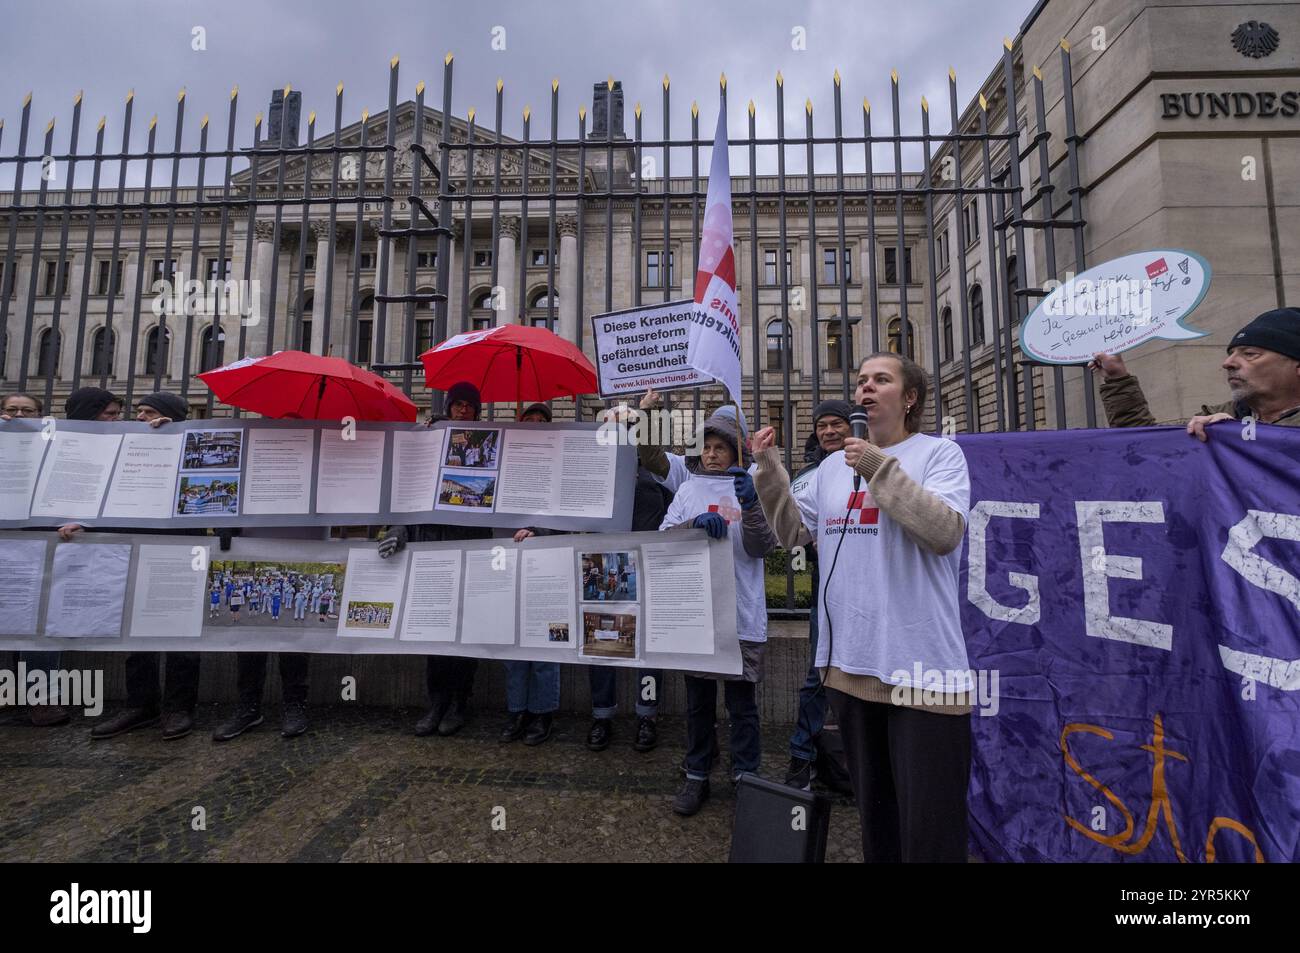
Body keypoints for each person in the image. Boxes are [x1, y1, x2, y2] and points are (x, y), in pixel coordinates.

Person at [752, 352, 972, 863]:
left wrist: (873, 464)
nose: (865, 389)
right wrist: (769, 470)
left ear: (909, 397)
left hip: (924, 675)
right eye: (860, 381)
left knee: (931, 833)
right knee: (879, 824)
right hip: (850, 669)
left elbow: (943, 532)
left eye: (881, 379)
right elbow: (791, 532)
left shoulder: (940, 455)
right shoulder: (830, 467)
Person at [61, 392, 206, 741]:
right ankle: (141, 704)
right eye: (138, 412)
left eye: (149, 412)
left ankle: (179, 707)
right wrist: (85, 522)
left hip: (179, 546)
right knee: (135, 631)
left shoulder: (188, 444)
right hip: (131, 545)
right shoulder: (124, 444)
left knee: (178, 631)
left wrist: (173, 436)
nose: (140, 417)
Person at [662, 410, 778, 816]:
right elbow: (664, 542)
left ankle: (745, 773)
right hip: (698, 614)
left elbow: (762, 547)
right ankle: (697, 774)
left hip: (741, 612)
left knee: (742, 704)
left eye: (721, 448)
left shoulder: (755, 486)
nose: (712, 455)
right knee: (698, 703)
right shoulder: (688, 490)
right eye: (707, 448)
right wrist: (694, 522)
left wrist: (750, 505)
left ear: (735, 451)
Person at [379, 382, 491, 737]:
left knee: (464, 631)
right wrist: (399, 529)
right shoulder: (426, 439)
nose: (462, 411)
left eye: (468, 406)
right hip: (430, 545)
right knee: (434, 630)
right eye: (457, 405)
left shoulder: (487, 444)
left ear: (476, 411)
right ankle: (437, 703)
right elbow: (407, 489)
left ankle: (459, 703)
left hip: (468, 545)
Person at [782, 399, 854, 791]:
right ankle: (802, 754)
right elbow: (792, 527)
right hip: (825, 590)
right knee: (817, 675)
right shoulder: (809, 474)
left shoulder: (874, 462)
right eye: (822, 425)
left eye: (837, 424)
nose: (828, 431)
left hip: (870, 588)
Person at [1091, 307, 1300, 435]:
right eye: (1231, 353)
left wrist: (1241, 436)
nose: (1228, 363)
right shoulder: (1215, 419)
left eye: (1250, 354)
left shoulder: (1226, 424)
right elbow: (1147, 449)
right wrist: (1117, 378)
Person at [499, 403, 563, 746]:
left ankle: (542, 712)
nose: (536, 425)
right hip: (510, 564)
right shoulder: (507, 465)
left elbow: (571, 519)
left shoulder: (562, 466)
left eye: (543, 421)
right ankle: (517, 710)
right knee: (513, 644)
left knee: (546, 643)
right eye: (530, 421)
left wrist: (541, 533)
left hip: (549, 565)